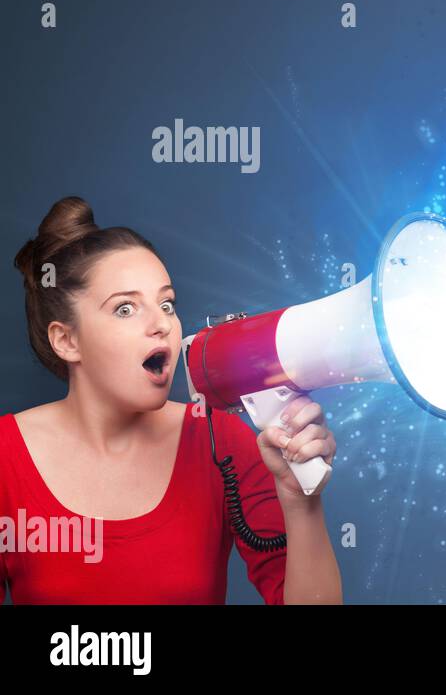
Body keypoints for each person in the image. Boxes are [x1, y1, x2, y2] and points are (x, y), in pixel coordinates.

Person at [0, 196, 342, 604]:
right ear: (67, 340)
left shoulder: (222, 439)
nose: (162, 324)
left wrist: (301, 502)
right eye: (125, 308)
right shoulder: (6, 456)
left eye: (166, 304)